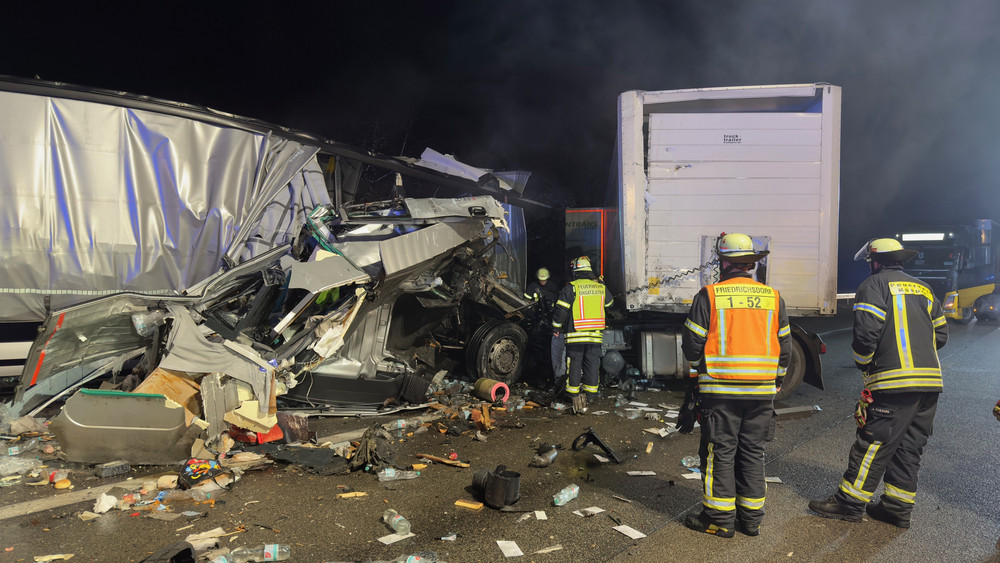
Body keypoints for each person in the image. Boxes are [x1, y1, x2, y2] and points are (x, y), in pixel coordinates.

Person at [808, 238, 948, 529]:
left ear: (875, 261)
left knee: (874, 442)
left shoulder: (873, 286)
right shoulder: (924, 288)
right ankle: (897, 508)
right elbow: (941, 335)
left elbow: (865, 336)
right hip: (930, 383)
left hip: (893, 383)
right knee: (909, 446)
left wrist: (864, 363)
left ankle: (849, 504)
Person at [679, 232, 790, 538]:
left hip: (721, 392)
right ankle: (751, 521)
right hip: (762, 392)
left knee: (720, 452)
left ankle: (719, 520)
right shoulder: (773, 297)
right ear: (751, 264)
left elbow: (691, 346)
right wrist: (777, 380)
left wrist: (695, 373)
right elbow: (786, 348)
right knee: (753, 452)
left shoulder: (709, 296)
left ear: (724, 262)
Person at [551, 256, 612, 414]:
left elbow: (561, 311)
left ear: (575, 271)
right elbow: (610, 304)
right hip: (595, 335)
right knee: (592, 363)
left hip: (576, 334)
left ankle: (573, 394)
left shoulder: (571, 287)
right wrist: (603, 284)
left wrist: (556, 327)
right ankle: (591, 395)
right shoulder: (599, 286)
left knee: (574, 364)